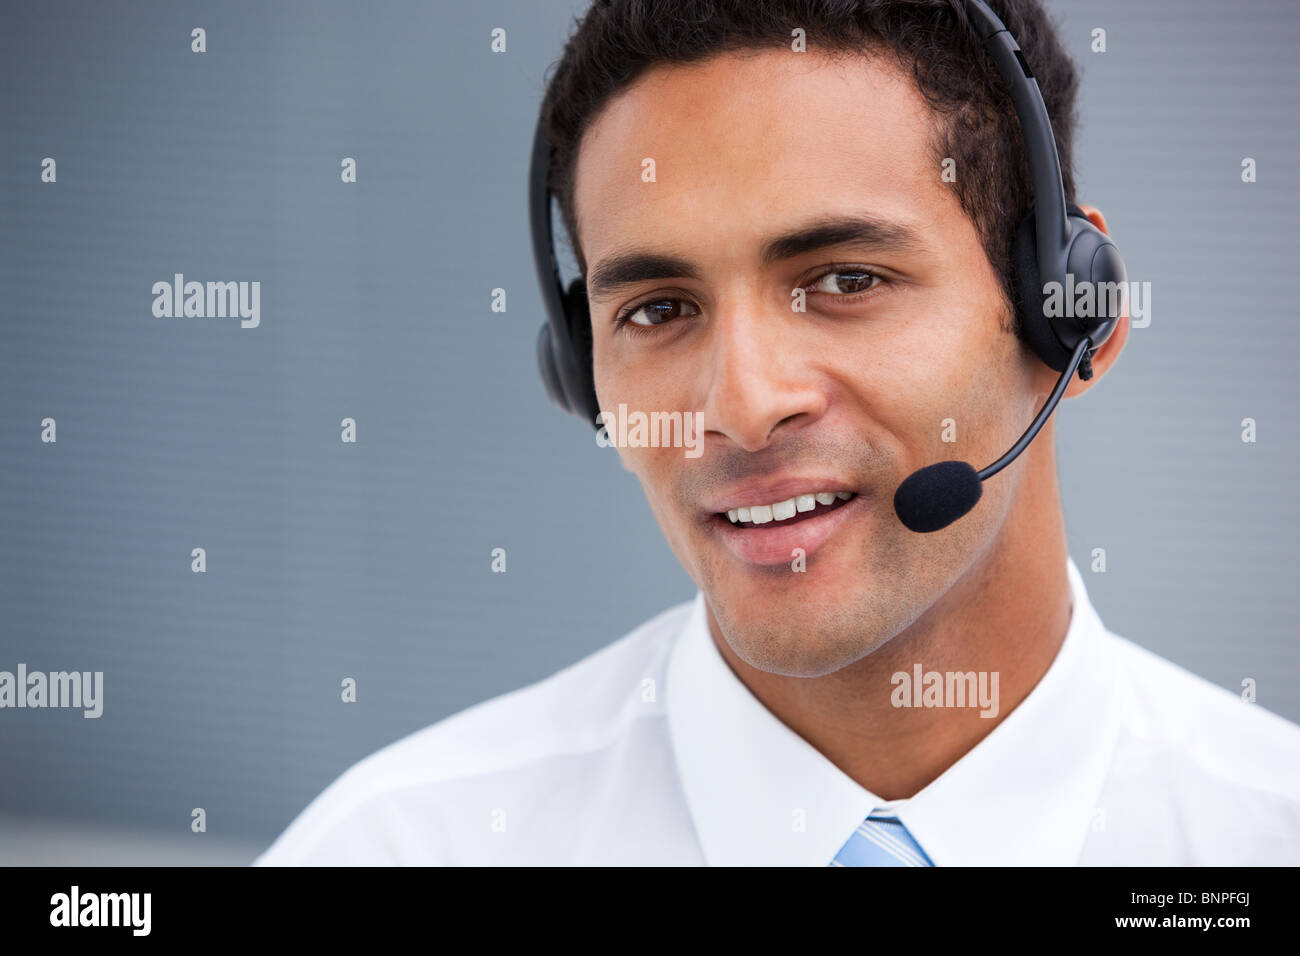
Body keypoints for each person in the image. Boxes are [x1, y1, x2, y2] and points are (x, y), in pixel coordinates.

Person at [256, 0, 1300, 866]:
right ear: (585, 380)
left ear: (1075, 313)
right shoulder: (396, 845)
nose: (743, 404)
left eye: (845, 280)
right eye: (657, 308)